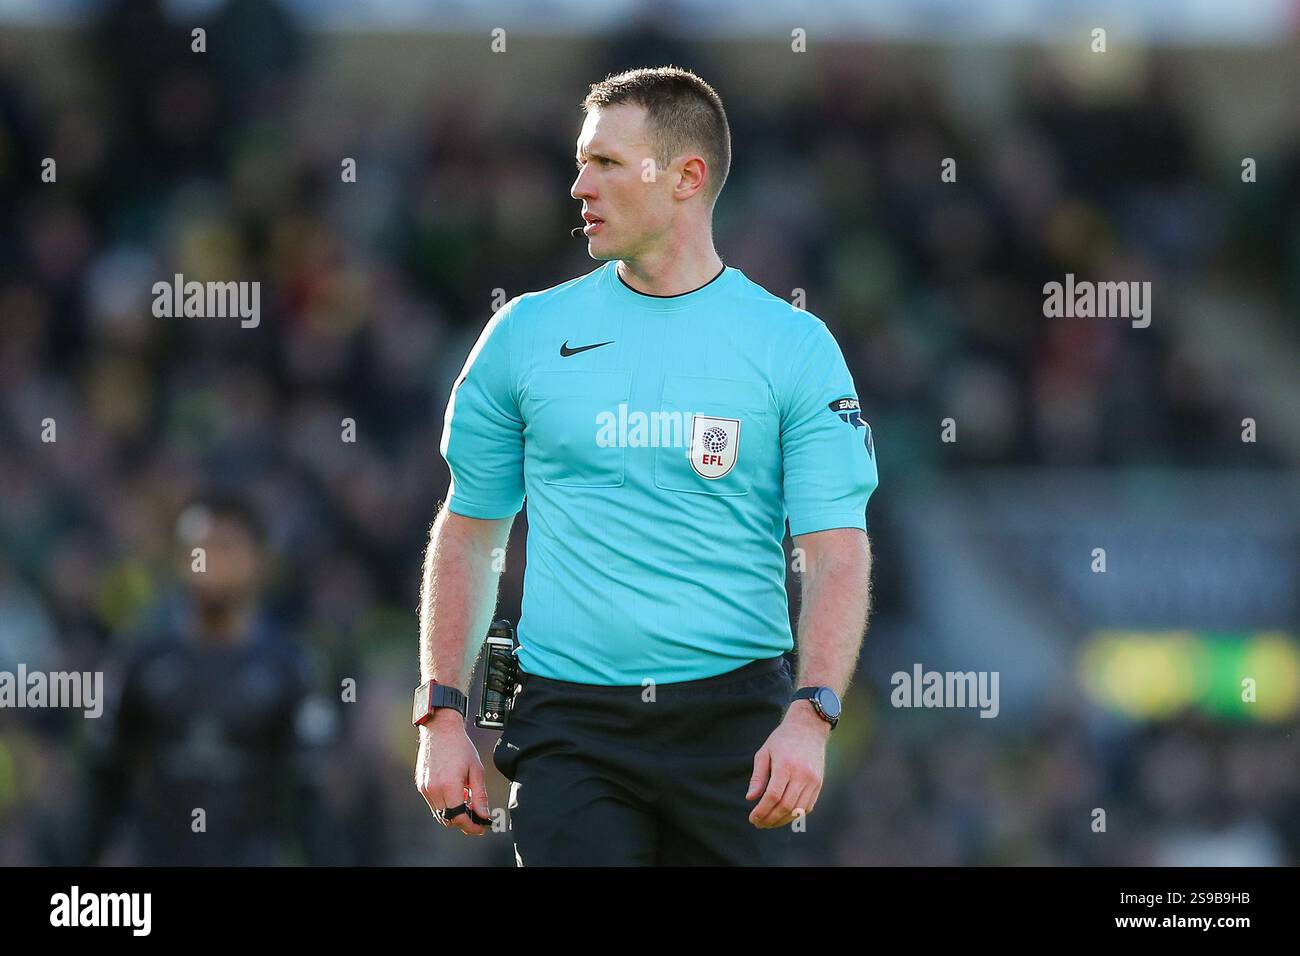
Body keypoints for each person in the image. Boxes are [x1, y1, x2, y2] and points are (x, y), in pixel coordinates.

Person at [414, 66, 878, 866]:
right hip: (571, 728)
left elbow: (836, 553)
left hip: (737, 727)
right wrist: (443, 716)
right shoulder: (524, 336)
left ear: (686, 178)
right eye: (581, 161)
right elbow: (468, 535)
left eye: (606, 164)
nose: (577, 185)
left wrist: (812, 712)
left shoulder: (793, 347)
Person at [71, 495, 333, 866]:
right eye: (199, 549)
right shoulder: (139, 659)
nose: (210, 563)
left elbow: (310, 799)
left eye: (225, 548)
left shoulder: (291, 667)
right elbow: (102, 783)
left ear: (257, 560)